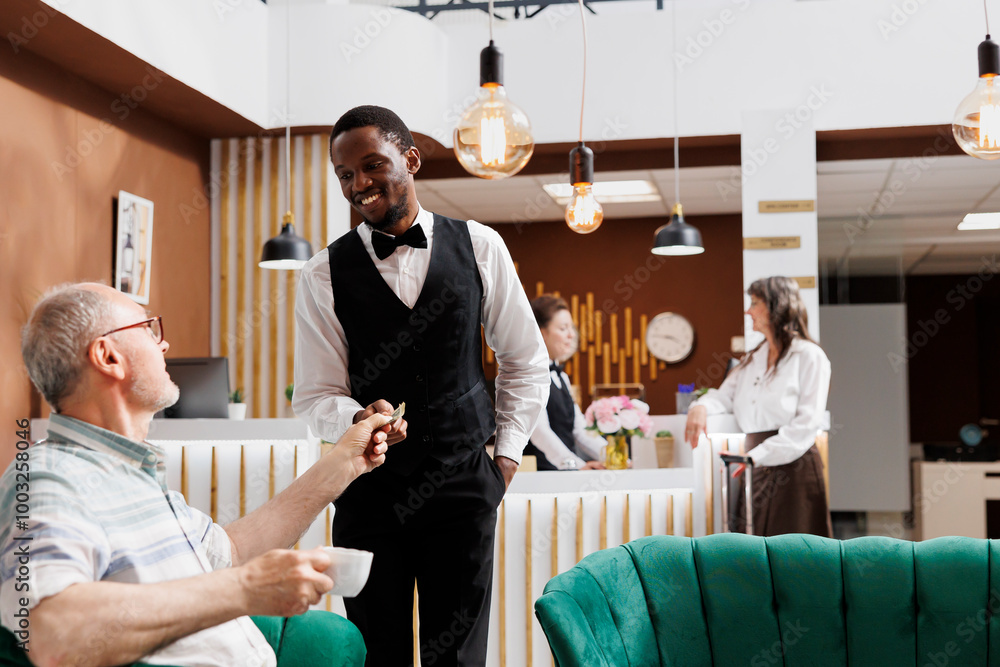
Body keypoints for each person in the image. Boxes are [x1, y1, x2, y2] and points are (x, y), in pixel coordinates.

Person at [0, 282, 392, 667]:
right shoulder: (48, 478)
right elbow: (52, 631)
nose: (164, 344)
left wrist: (345, 462)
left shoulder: (131, 472)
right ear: (108, 356)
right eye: (148, 328)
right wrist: (247, 588)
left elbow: (232, 551)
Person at [293, 105, 548, 666]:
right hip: (368, 492)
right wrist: (357, 419)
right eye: (344, 175)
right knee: (376, 653)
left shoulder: (481, 246)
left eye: (370, 165)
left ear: (410, 160)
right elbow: (315, 397)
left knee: (456, 657)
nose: (358, 185)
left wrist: (503, 460)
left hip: (465, 486)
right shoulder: (321, 273)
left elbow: (526, 360)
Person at [684, 276, 832, 537]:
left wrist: (758, 456)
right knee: (756, 558)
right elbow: (723, 396)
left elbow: (806, 424)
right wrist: (700, 406)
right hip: (754, 465)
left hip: (793, 469)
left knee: (794, 559)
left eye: (754, 303)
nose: (747, 311)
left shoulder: (810, 356)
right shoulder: (753, 358)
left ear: (777, 306)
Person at [523, 295, 606, 471]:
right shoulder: (529, 374)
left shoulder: (562, 378)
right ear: (541, 332)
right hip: (541, 474)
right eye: (563, 328)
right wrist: (577, 466)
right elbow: (540, 432)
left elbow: (580, 430)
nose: (571, 335)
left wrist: (613, 456)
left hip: (566, 474)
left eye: (572, 328)